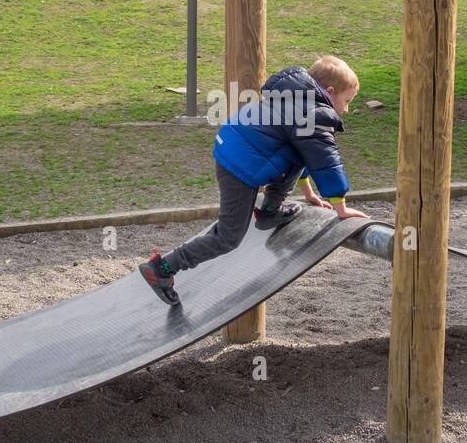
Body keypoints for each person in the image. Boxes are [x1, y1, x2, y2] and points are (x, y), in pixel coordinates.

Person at [139, 55, 368, 305]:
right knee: (228, 237)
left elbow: (304, 156)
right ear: (331, 91)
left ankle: (271, 209)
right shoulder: (314, 112)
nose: (345, 109)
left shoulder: (293, 98)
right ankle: (163, 268)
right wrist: (341, 208)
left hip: (237, 150)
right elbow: (326, 162)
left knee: (293, 155)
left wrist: (310, 194)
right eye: (346, 101)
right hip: (240, 167)